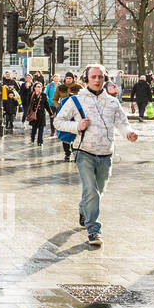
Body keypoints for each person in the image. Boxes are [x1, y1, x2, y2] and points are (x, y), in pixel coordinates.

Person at [54, 64, 138, 247]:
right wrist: (77, 127)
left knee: (98, 191)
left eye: (100, 77)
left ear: (105, 79)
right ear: (86, 79)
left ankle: (84, 208)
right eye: (93, 77)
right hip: (84, 151)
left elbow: (122, 123)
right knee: (91, 189)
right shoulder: (75, 101)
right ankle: (94, 230)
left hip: (106, 153)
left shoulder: (112, 102)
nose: (97, 80)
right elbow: (58, 122)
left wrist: (129, 134)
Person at [52, 72, 82, 160]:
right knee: (65, 132)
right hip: (64, 114)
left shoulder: (79, 87)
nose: (68, 80)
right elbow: (54, 99)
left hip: (76, 114)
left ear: (73, 79)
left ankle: (75, 151)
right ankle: (67, 153)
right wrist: (59, 107)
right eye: (67, 78)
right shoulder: (60, 87)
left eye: (70, 78)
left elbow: (85, 98)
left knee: (75, 132)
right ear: (65, 79)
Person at [25, 81, 53, 145]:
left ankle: (40, 141)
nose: (39, 88)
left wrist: (50, 113)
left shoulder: (43, 95)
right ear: (34, 87)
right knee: (34, 128)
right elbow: (28, 104)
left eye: (40, 87)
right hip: (34, 114)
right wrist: (28, 113)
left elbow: (47, 105)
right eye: (37, 87)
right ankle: (32, 139)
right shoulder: (31, 94)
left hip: (41, 114)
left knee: (41, 129)